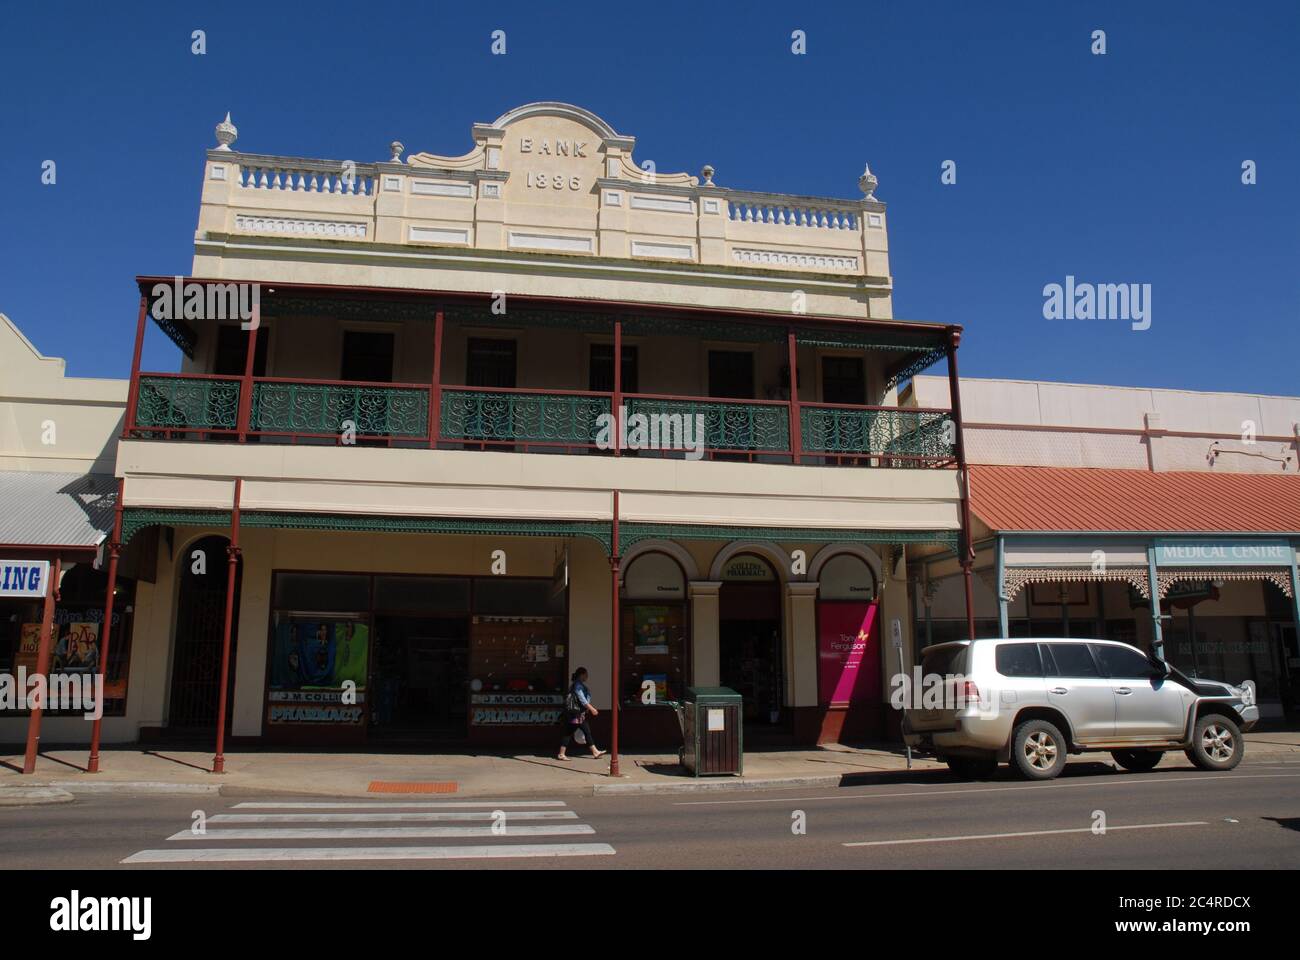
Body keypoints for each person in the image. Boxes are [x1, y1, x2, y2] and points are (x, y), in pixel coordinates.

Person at [557, 667, 606, 761]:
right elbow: (582, 699)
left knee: (578, 732)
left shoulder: (578, 685)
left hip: (578, 714)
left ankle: (594, 752)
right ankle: (561, 754)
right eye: (586, 674)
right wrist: (592, 709)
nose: (587, 676)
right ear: (581, 675)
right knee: (576, 732)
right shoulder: (578, 685)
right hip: (577, 714)